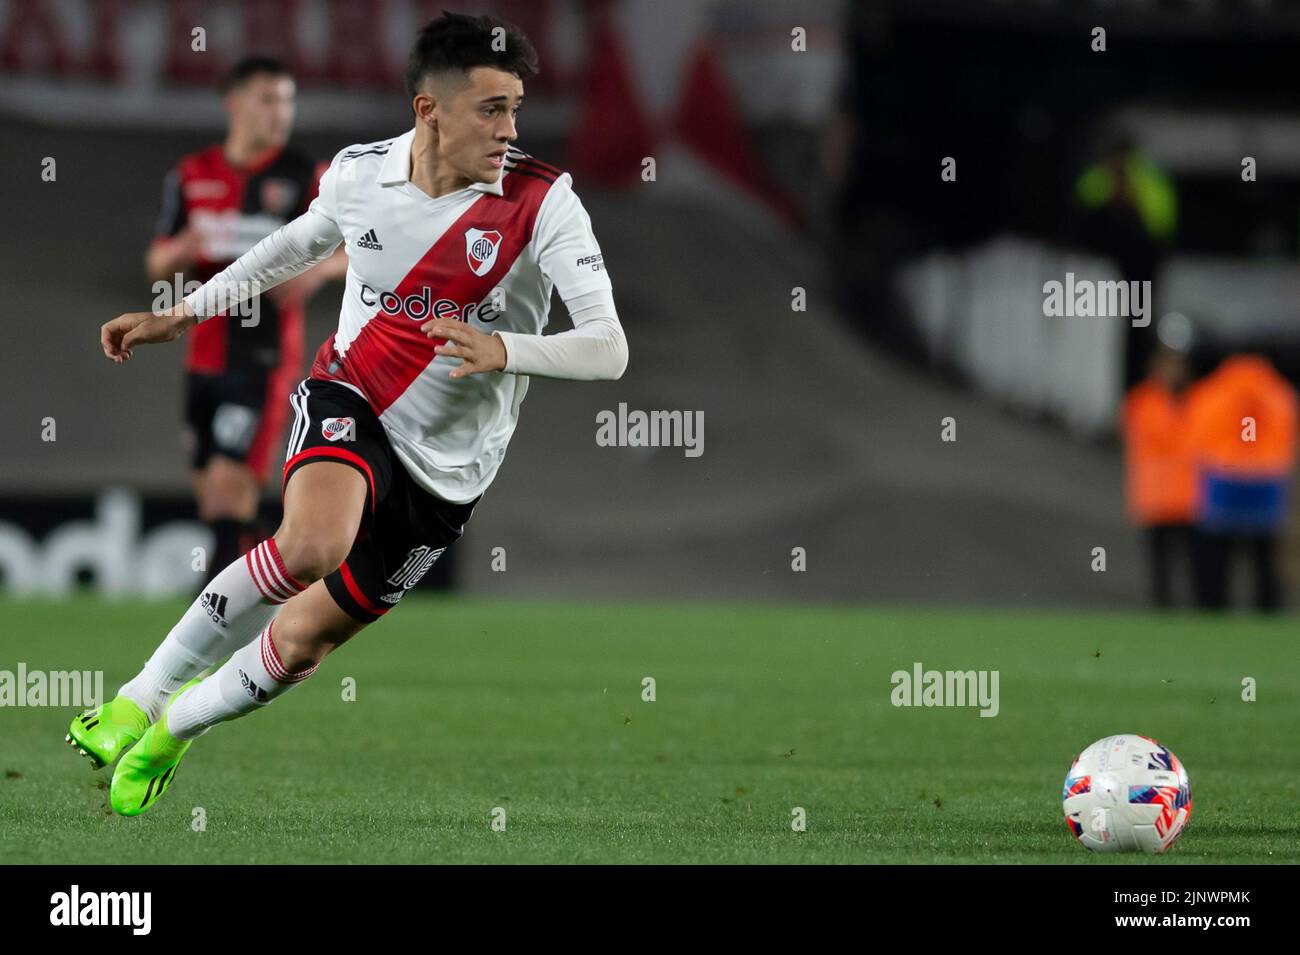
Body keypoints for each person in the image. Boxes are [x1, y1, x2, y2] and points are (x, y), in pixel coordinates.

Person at [75, 12, 629, 817]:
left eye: (515, 108)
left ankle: (174, 728)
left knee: (303, 641)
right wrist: (182, 313)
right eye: (491, 109)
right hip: (355, 394)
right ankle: (135, 696)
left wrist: (506, 348)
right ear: (428, 109)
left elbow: (608, 347)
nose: (510, 130)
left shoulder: (545, 204)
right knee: (309, 544)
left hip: (449, 471)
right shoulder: (360, 174)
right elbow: (294, 247)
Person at [148, 55, 347, 582]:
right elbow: (157, 258)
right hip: (202, 353)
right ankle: (275, 582)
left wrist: (317, 273)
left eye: (287, 100)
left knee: (227, 486)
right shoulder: (192, 175)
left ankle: (214, 607)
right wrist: (180, 252)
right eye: (268, 99)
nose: (280, 112)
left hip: (263, 355)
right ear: (233, 102)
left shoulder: (308, 175)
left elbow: (356, 249)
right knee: (213, 497)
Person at [1185, 353, 1298, 611]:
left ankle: (1212, 611)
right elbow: (1286, 439)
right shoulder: (1279, 394)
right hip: (1266, 482)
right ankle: (1268, 612)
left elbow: (1197, 439)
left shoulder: (1211, 392)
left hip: (1223, 480)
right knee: (1264, 559)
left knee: (1216, 557)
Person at [1120, 341, 1196, 607]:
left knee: (1192, 564)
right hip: (1156, 497)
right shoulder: (1143, 401)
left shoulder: (1193, 400)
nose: (1173, 372)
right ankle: (1162, 612)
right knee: (1160, 565)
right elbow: (1162, 438)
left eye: (1177, 365)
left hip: (1189, 498)